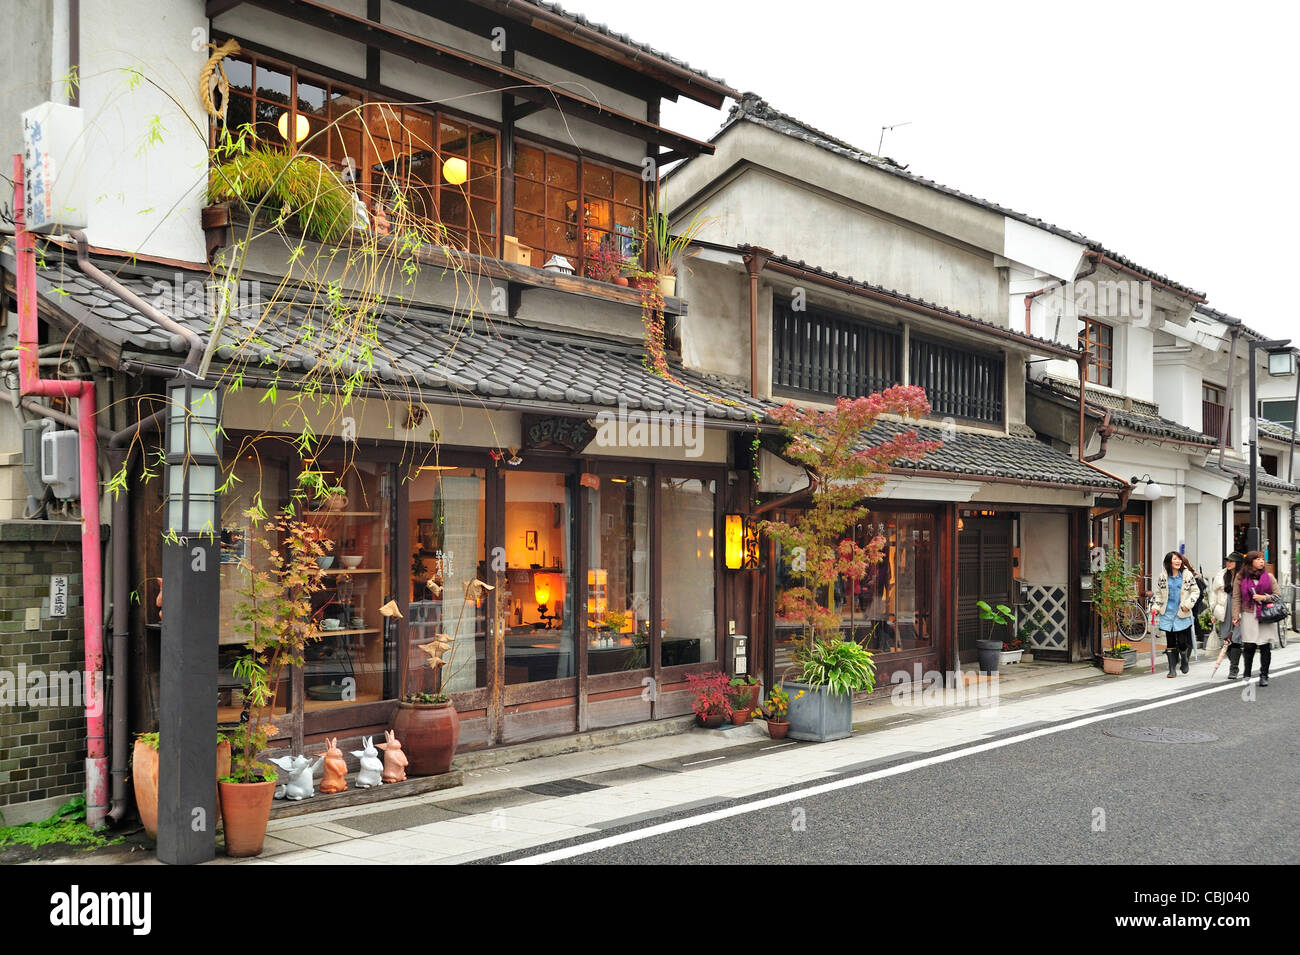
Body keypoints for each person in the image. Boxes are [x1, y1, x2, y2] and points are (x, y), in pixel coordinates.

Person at [1231, 550, 1278, 686]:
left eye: (1262, 559)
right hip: (1248, 613)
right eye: (1258, 559)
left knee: (1265, 645)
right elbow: (1236, 597)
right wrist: (1235, 615)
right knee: (1249, 645)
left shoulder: (1269, 577)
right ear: (1250, 561)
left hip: (1265, 614)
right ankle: (1247, 673)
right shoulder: (1241, 577)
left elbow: (1277, 595)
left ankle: (1264, 675)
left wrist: (1264, 597)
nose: (1261, 562)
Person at [1151, 551, 1198, 678]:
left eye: (1179, 559)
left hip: (1182, 612)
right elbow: (1159, 594)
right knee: (1170, 641)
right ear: (1169, 562)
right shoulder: (1163, 576)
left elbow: (1195, 591)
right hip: (1167, 613)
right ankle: (1172, 669)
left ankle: (1184, 659)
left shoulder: (1187, 575)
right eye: (1175, 559)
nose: (1178, 561)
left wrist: (1187, 604)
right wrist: (1155, 607)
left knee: (1182, 641)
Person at [1208, 552, 1244, 679]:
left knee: (1236, 638)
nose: (1228, 563)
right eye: (1227, 561)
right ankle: (1234, 660)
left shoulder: (1243, 575)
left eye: (1231, 561)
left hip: (1239, 607)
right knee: (1225, 637)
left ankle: (1233, 668)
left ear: (1238, 563)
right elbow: (1214, 593)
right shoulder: (1221, 574)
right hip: (1223, 607)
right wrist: (1213, 610)